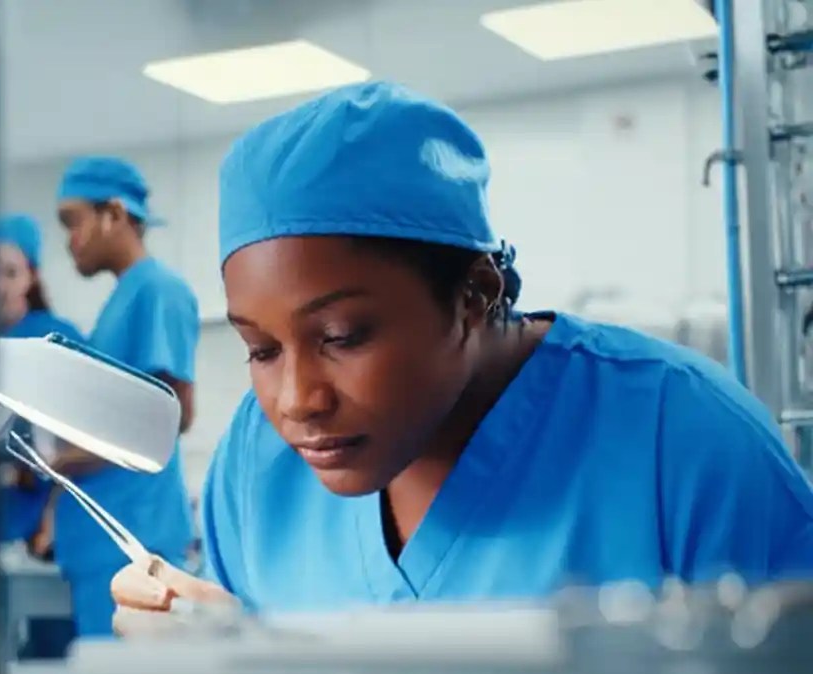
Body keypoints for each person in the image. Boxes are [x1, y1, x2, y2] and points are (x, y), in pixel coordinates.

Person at [110, 81, 813, 633]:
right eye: (260, 350)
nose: (296, 400)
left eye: (343, 336)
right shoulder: (256, 469)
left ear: (475, 295)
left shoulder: (686, 440)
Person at [54, 158, 200, 637]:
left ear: (114, 214)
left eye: (73, 221)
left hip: (135, 539)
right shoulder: (120, 304)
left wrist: (57, 460)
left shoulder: (158, 291)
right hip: (102, 541)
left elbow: (167, 417)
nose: (69, 239)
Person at [0, 213, 85, 553]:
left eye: (11, 272)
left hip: (46, 531)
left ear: (31, 277)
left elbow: (85, 440)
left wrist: (49, 515)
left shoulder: (59, 341)